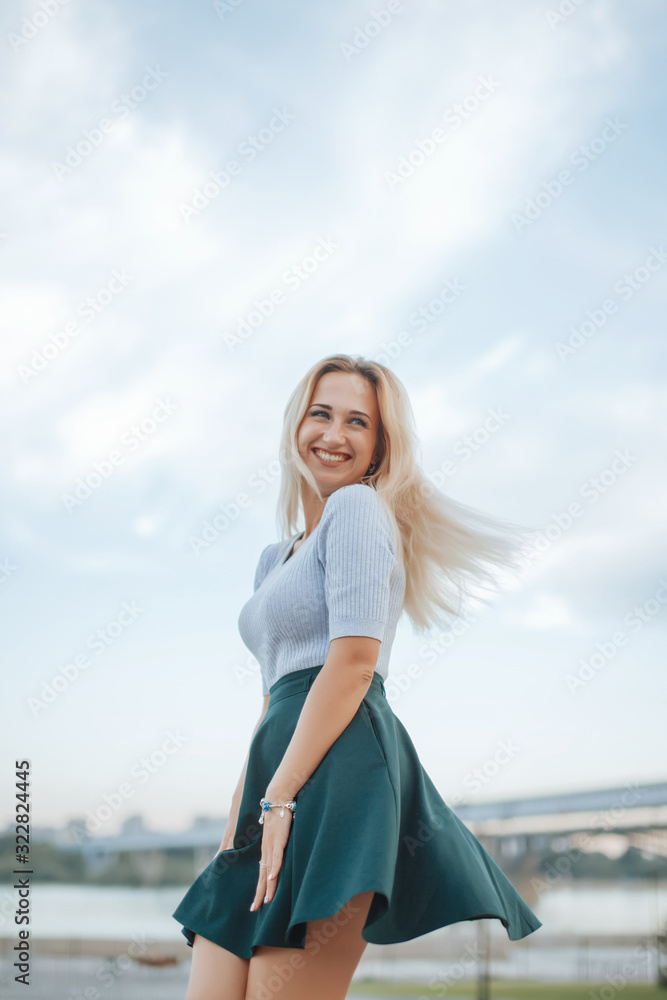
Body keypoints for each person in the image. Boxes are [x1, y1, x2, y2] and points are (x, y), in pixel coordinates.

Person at [172, 353, 542, 999]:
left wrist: (280, 798)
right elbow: (270, 701)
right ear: (296, 425)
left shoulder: (357, 509)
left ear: (378, 447)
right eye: (321, 414)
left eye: (357, 422)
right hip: (278, 768)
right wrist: (237, 829)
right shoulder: (273, 557)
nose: (334, 434)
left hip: (340, 771)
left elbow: (352, 661)